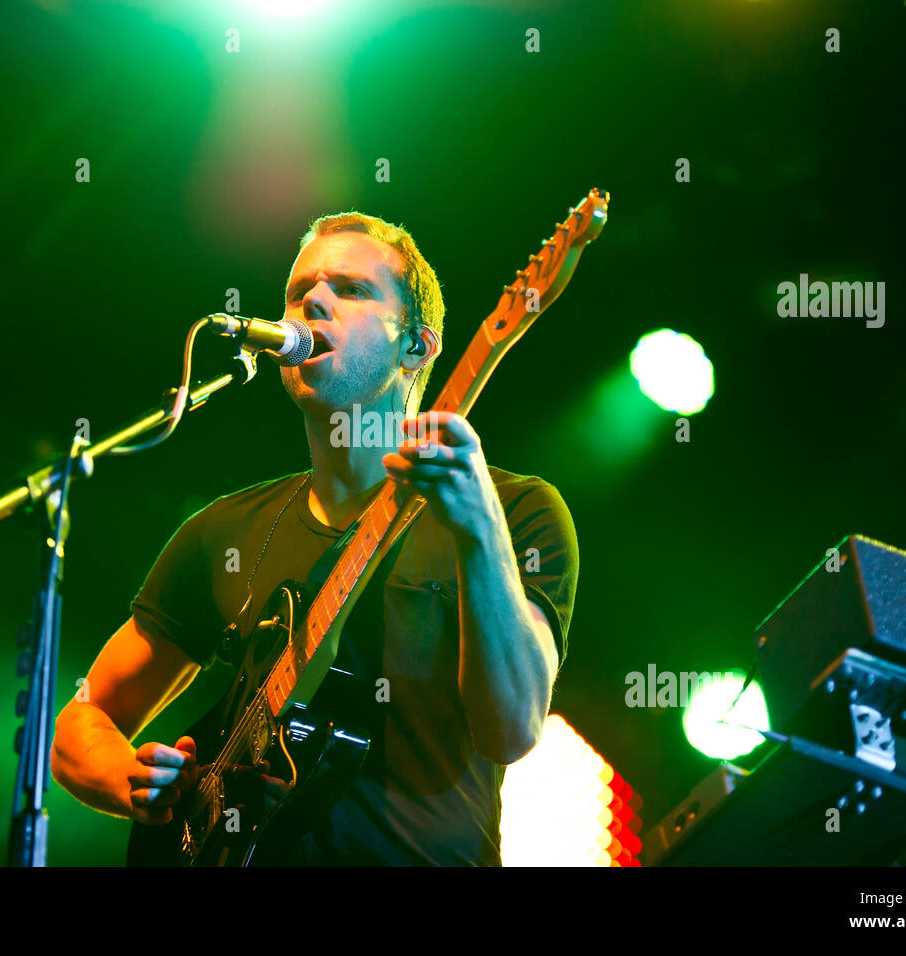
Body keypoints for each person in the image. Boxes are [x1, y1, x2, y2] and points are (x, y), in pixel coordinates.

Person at [51, 211, 579, 865]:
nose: (314, 302)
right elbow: (83, 719)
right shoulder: (223, 530)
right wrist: (133, 782)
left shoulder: (515, 511)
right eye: (301, 292)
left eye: (351, 289)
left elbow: (513, 729)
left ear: (415, 346)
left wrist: (478, 530)